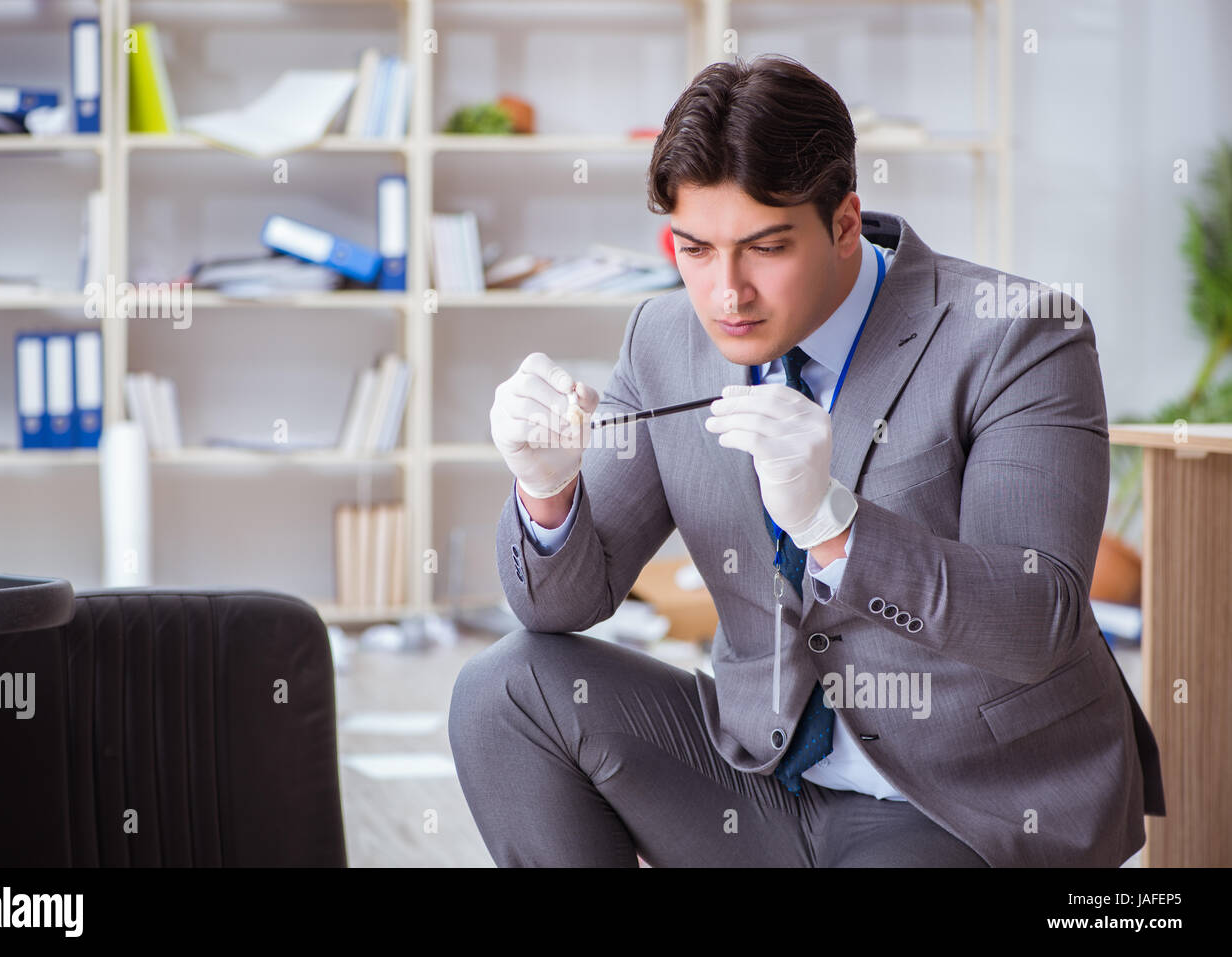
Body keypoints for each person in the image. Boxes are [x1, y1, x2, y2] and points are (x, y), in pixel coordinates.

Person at [448, 54, 1164, 867]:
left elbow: (1040, 617)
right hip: (763, 785)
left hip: (965, 807)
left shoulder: (1016, 335)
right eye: (696, 249)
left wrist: (835, 530)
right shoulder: (663, 340)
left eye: (765, 247)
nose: (727, 294)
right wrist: (547, 494)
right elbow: (564, 604)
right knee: (504, 692)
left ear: (845, 222)